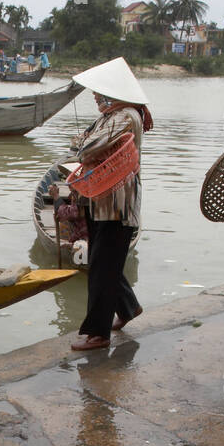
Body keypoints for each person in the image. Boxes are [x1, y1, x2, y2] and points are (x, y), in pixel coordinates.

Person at [53, 58, 151, 351]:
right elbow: (84, 143)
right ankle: (128, 307)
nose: (95, 97)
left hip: (116, 206)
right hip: (101, 200)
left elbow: (85, 148)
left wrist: (83, 143)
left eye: (98, 92)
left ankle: (98, 334)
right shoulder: (111, 116)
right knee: (103, 261)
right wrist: (84, 142)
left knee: (101, 268)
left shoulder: (124, 116)